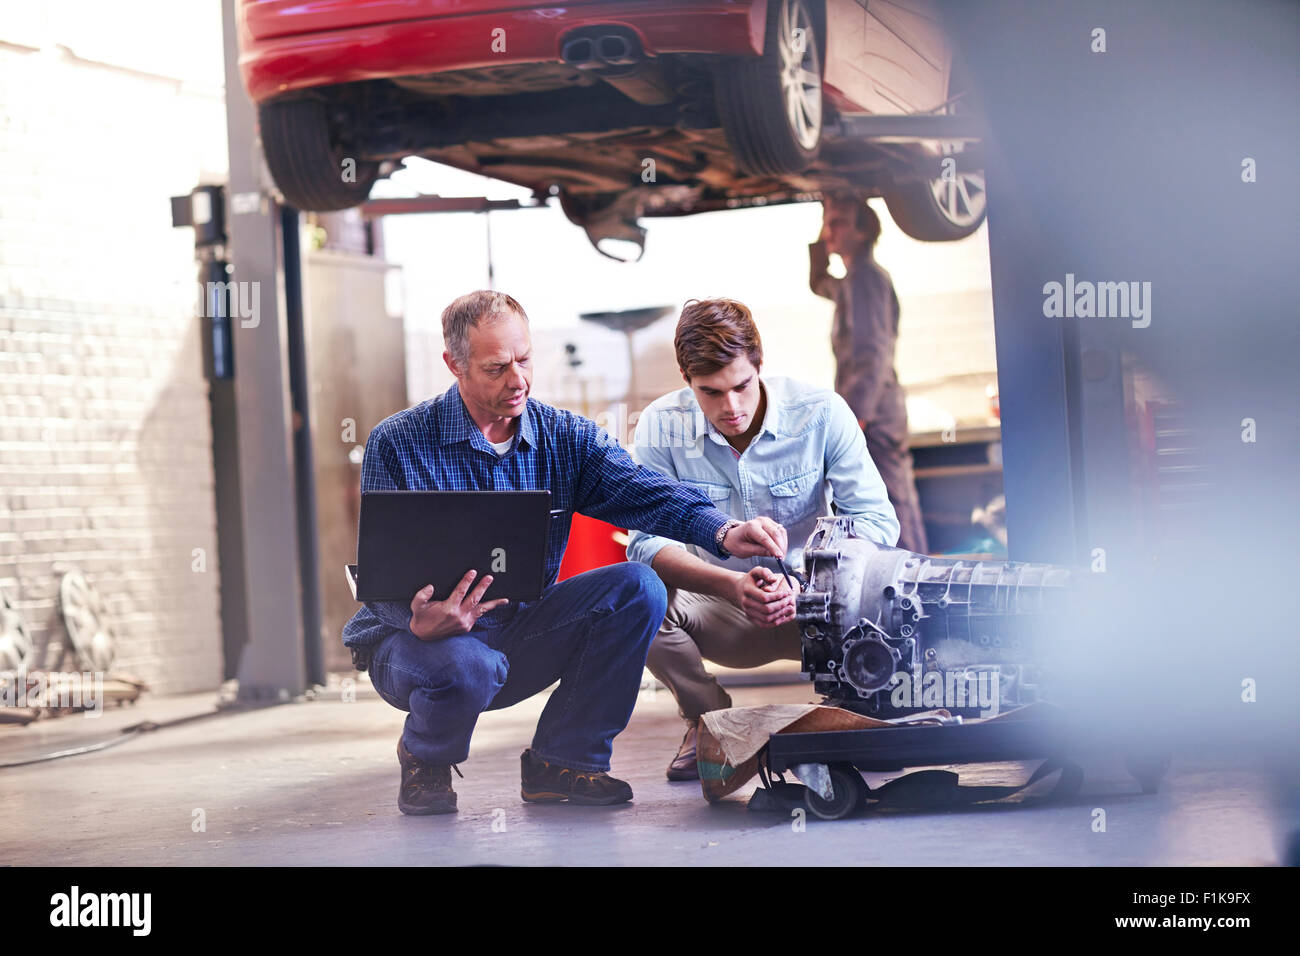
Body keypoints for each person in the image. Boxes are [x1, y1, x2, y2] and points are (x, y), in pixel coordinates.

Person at [342, 290, 788, 815]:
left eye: (525, 359)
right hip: (419, 647)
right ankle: (427, 759)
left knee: (638, 587)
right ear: (454, 365)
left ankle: (566, 762)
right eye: (496, 367)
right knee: (468, 668)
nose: (518, 379)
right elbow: (381, 569)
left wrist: (721, 531)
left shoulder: (564, 437)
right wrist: (415, 620)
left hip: (521, 629)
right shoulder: (398, 442)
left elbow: (644, 491)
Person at [626, 298, 899, 780]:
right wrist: (729, 585)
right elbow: (645, 542)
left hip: (820, 608)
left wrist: (810, 586)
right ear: (686, 380)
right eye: (710, 392)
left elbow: (877, 522)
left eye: (741, 386)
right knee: (634, 594)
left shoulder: (821, 413)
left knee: (899, 590)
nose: (730, 408)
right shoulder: (659, 427)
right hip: (721, 607)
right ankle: (708, 719)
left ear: (759, 364)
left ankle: (855, 704)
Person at [810, 195, 929, 553]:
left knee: (890, 502)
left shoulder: (866, 279)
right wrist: (824, 227)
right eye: (827, 224)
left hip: (874, 412)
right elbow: (818, 282)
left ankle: (911, 580)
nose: (830, 232)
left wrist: (856, 415)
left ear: (862, 233)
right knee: (888, 498)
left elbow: (872, 352)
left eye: (839, 223)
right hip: (874, 408)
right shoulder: (852, 280)